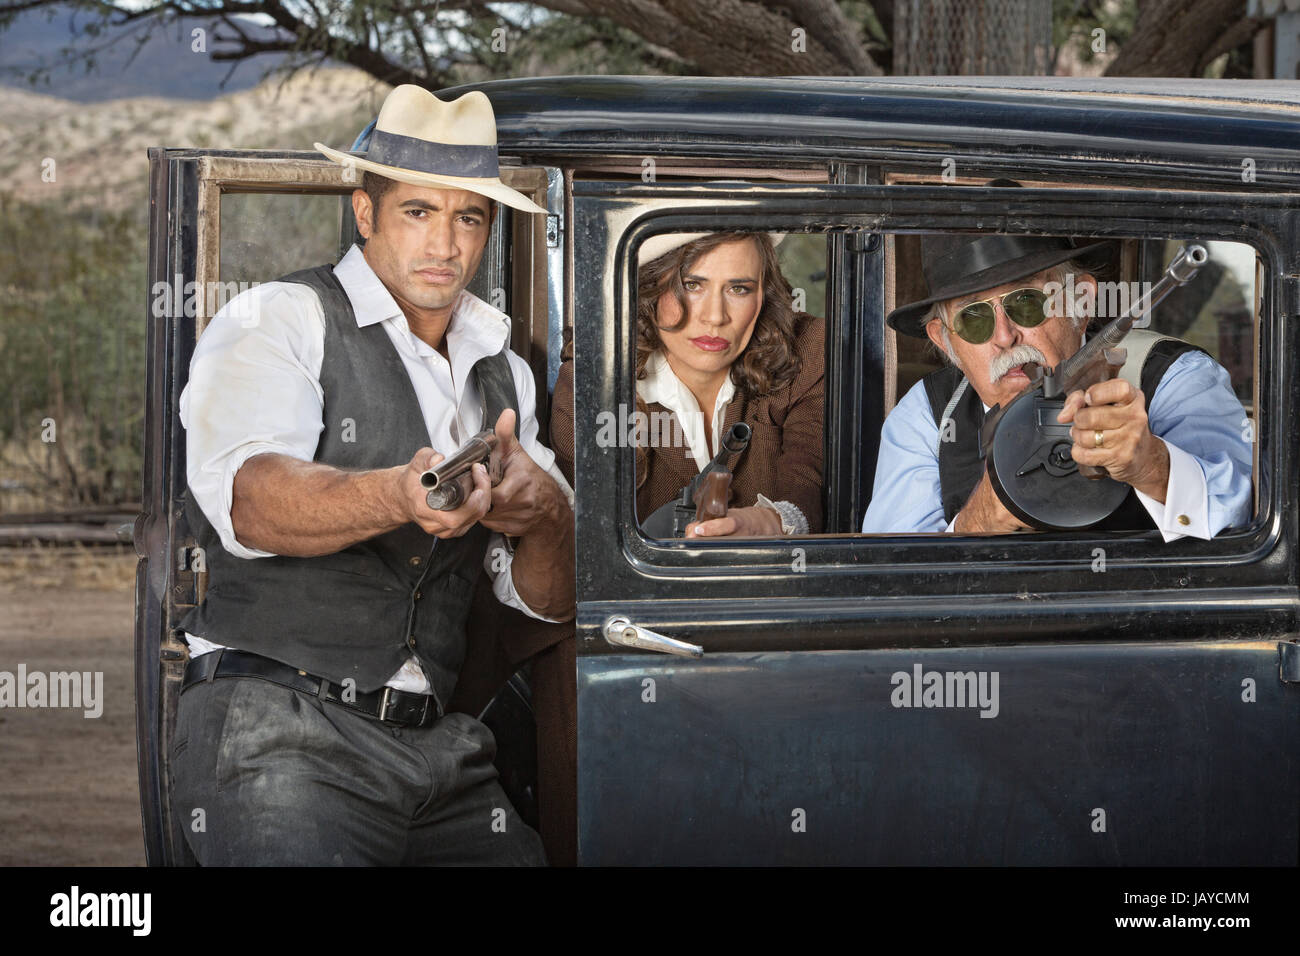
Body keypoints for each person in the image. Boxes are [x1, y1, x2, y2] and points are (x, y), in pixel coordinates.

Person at [172, 84, 575, 865]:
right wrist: (399, 494)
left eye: (469, 217)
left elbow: (543, 604)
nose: (446, 244)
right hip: (282, 733)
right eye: (418, 212)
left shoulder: (505, 373)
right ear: (365, 215)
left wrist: (546, 517)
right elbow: (251, 501)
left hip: (441, 754)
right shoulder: (281, 318)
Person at [862, 233, 1252, 537]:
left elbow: (1250, 527)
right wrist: (978, 521)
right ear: (944, 339)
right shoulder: (927, 415)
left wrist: (1153, 467)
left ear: (1081, 304)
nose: (1004, 336)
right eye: (974, 318)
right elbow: (888, 577)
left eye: (1028, 303)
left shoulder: (1172, 377)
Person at [551, 231, 826, 537]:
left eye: (738, 289)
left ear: (763, 294)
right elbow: (588, 542)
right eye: (692, 285)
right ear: (648, 287)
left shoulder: (808, 350)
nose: (715, 317)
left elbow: (812, 485)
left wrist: (770, 522)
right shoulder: (593, 383)